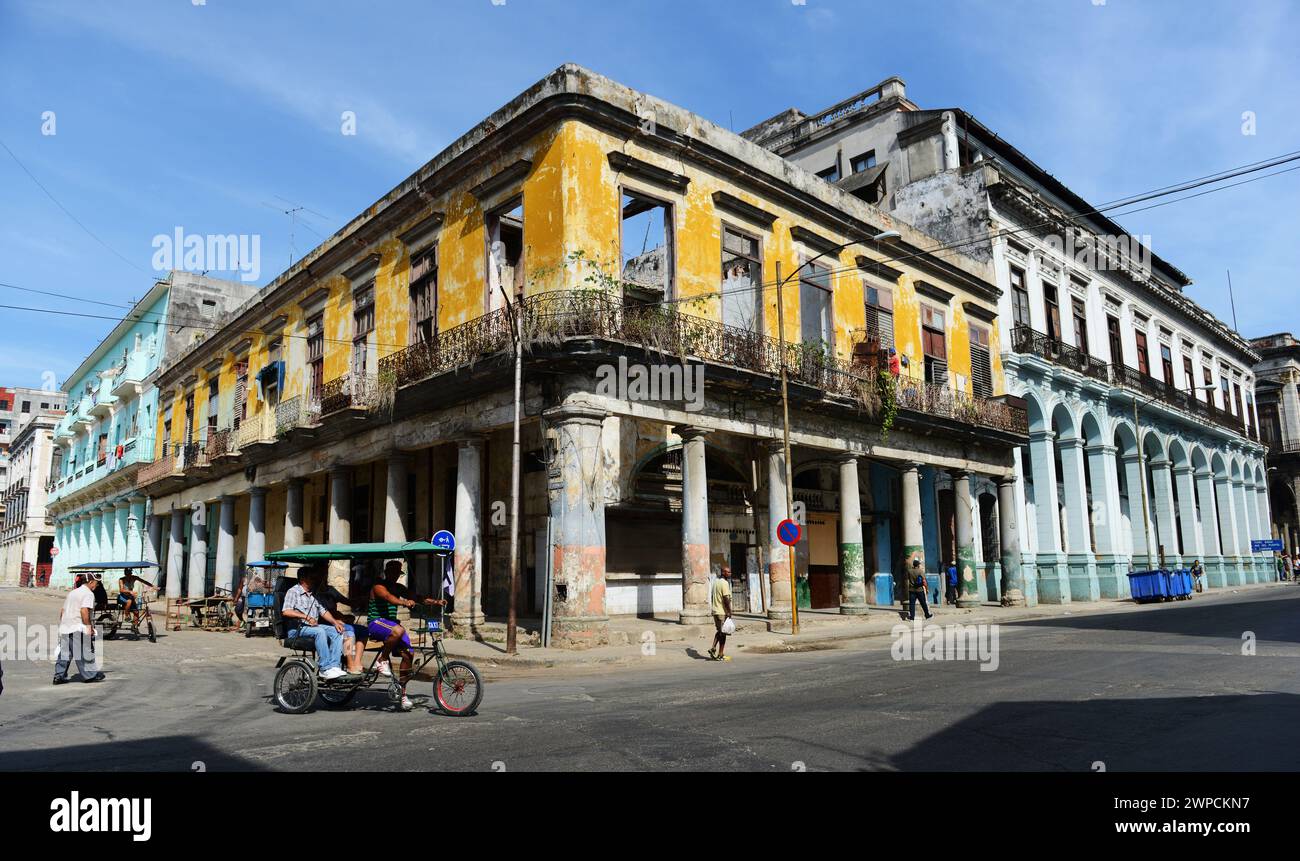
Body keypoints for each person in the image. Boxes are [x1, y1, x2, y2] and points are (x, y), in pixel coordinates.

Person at [368, 560, 444, 711]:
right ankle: (381, 660)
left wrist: (435, 601)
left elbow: (416, 597)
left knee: (409, 653)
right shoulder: (378, 586)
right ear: (386, 572)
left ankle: (403, 695)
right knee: (398, 630)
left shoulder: (398, 587)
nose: (395, 575)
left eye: (398, 573)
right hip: (376, 624)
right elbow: (389, 597)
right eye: (393, 572)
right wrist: (404, 603)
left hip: (392, 625)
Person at [280, 566, 352, 681]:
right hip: (297, 629)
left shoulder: (313, 594)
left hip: (313, 627)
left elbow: (323, 611)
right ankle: (324, 668)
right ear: (303, 579)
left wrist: (335, 622)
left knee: (337, 631)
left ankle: (334, 666)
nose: (314, 579)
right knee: (320, 631)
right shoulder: (293, 592)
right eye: (311, 577)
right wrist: (306, 617)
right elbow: (286, 611)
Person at [53, 573, 104, 685]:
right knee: (84, 651)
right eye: (96, 583)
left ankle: (59, 676)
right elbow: (84, 611)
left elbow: (62, 611)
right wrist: (88, 627)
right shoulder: (88, 594)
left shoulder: (73, 592)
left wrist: (63, 624)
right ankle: (90, 675)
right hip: (78, 627)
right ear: (91, 582)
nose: (97, 585)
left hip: (66, 626)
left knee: (65, 654)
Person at [316, 571, 369, 675]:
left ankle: (357, 662)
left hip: (335, 621)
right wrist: (338, 620)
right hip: (323, 623)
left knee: (363, 630)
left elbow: (346, 601)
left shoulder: (330, 590)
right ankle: (350, 664)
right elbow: (320, 612)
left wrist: (362, 600)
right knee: (348, 629)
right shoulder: (314, 593)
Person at [708, 566, 733, 662]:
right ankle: (720, 654)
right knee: (723, 634)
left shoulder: (716, 582)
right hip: (722, 612)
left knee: (720, 631)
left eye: (730, 572)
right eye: (728, 572)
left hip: (715, 611)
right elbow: (725, 598)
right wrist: (729, 611)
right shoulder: (724, 583)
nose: (730, 574)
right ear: (723, 573)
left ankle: (713, 648)